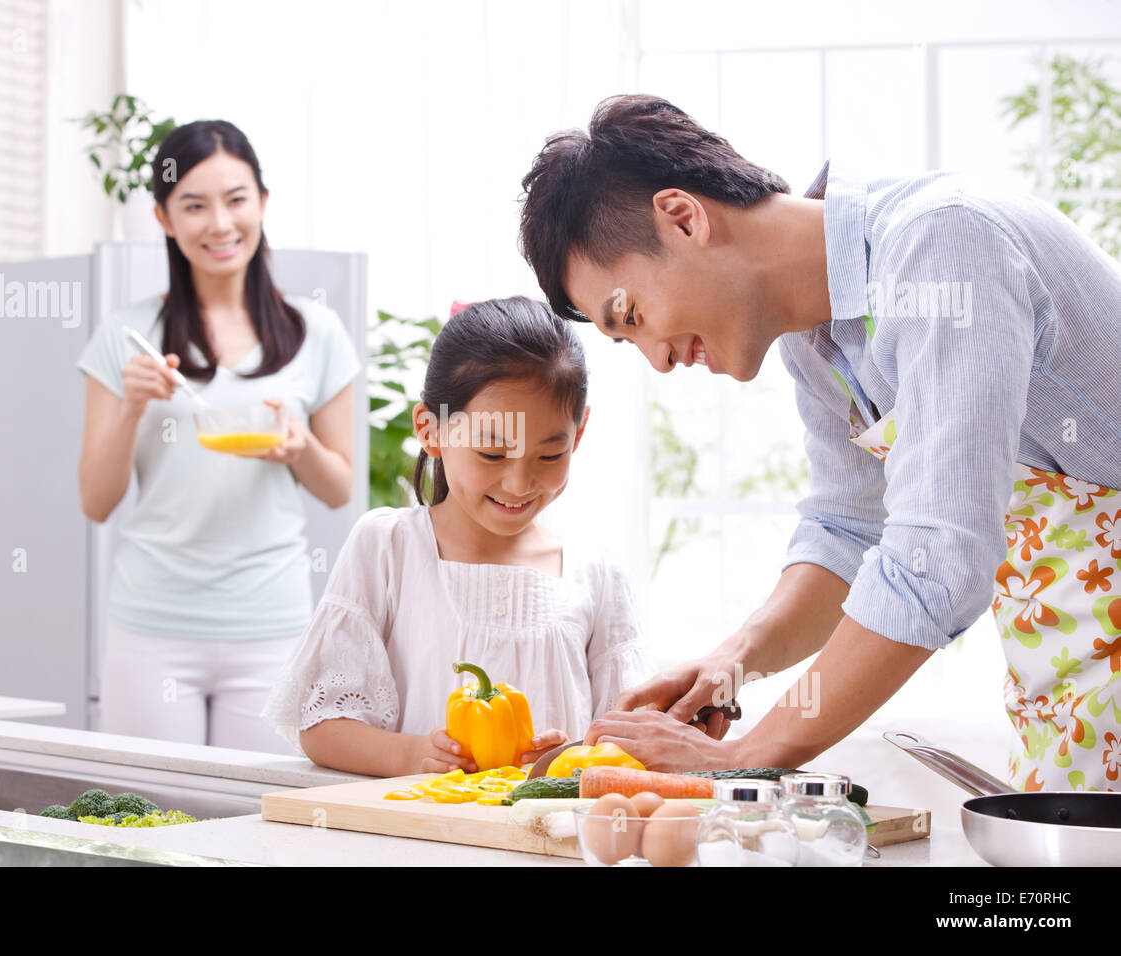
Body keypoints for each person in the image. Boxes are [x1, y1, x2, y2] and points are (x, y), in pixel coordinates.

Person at [517, 94, 1121, 791]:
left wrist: (745, 759)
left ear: (682, 217)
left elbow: (938, 559)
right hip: (1081, 686)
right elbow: (849, 531)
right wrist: (734, 661)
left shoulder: (944, 249)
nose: (655, 357)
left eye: (630, 314)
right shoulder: (814, 340)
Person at [262, 297, 654, 775]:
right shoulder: (388, 546)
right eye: (491, 454)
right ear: (431, 430)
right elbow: (321, 725)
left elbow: (626, 742)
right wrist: (411, 755)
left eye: (550, 457)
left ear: (578, 432)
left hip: (541, 846)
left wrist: (564, 757)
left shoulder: (596, 573)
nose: (519, 483)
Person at [76, 120, 360, 752]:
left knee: (256, 831)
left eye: (235, 199)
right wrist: (131, 406)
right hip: (150, 630)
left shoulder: (318, 332)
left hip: (271, 628)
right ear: (164, 218)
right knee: (143, 828)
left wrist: (299, 448)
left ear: (262, 201)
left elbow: (340, 487)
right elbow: (95, 501)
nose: (220, 223)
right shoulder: (125, 337)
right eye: (193, 206)